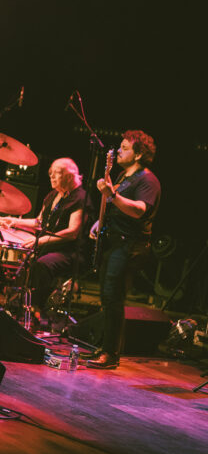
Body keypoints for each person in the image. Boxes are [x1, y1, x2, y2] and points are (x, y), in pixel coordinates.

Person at [87, 130, 160, 369]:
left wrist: (113, 194)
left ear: (138, 154)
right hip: (115, 242)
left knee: (113, 297)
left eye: (125, 147)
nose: (119, 150)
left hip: (130, 245)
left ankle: (110, 354)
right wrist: (100, 221)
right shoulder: (123, 175)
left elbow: (139, 210)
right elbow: (114, 205)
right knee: (107, 298)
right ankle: (104, 348)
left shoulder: (147, 180)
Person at [0, 158, 91, 323]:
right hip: (48, 247)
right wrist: (12, 221)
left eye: (57, 172)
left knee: (42, 264)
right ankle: (15, 305)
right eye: (51, 172)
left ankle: (40, 310)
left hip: (69, 252)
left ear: (70, 176)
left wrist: (40, 241)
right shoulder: (52, 195)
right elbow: (38, 223)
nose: (52, 176)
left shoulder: (80, 198)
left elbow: (72, 232)